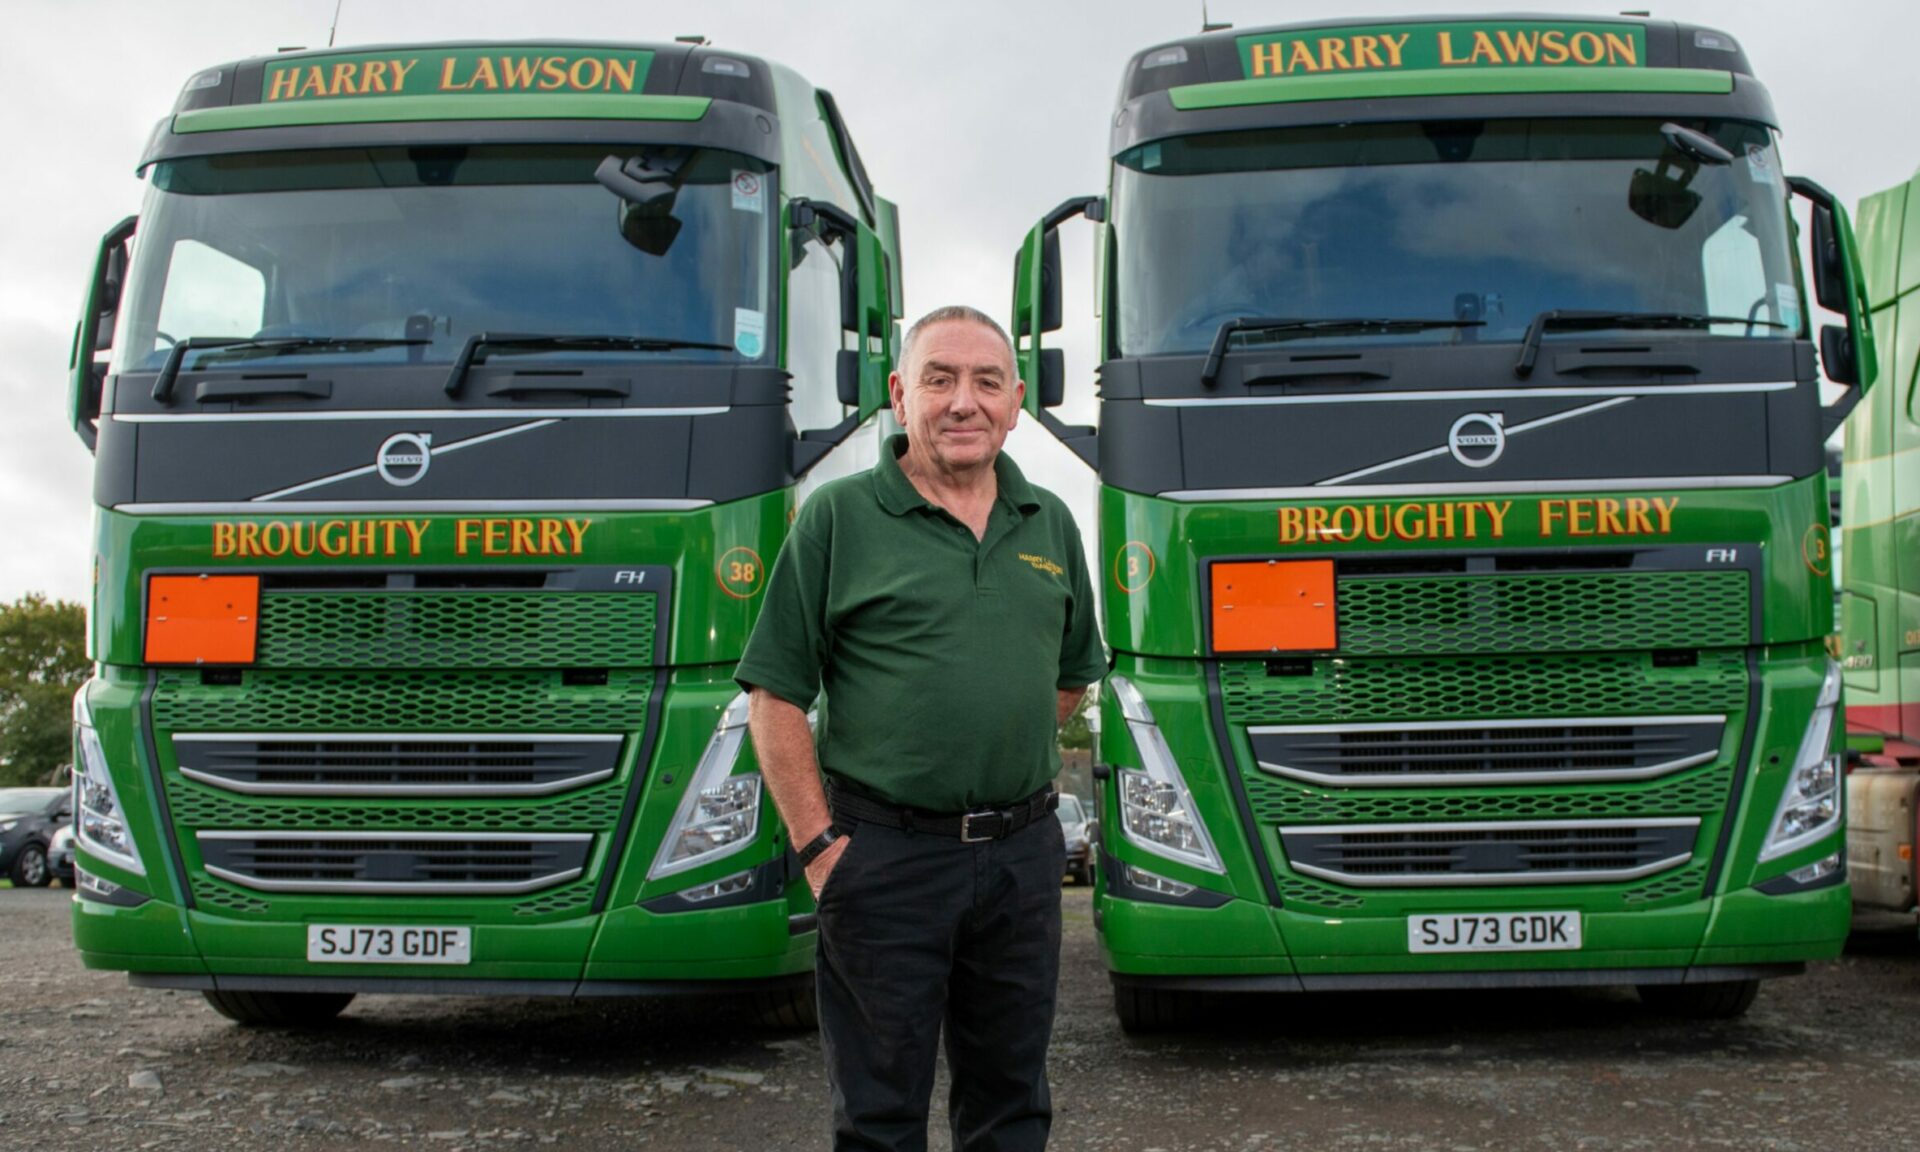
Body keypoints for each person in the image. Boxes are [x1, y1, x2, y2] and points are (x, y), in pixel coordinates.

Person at [736, 304, 1106, 1151]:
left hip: (1021, 860)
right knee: (878, 1118)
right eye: (939, 380)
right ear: (901, 396)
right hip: (884, 861)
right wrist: (820, 851)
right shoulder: (837, 517)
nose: (963, 401)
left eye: (986, 382)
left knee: (1012, 1109)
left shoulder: (1050, 521)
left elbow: (1071, 675)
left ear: (1016, 403)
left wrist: (993, 752)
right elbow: (774, 696)